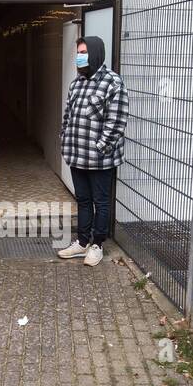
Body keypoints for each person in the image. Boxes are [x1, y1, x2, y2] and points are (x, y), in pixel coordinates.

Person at [58, 35, 129, 266]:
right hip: (76, 155)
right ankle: (81, 242)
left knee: (101, 202)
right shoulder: (76, 84)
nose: (79, 57)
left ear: (96, 54)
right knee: (83, 200)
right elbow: (67, 116)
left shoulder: (113, 83)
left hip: (100, 159)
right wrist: (64, 140)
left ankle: (97, 245)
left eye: (83, 53)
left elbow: (116, 122)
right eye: (78, 53)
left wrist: (100, 148)